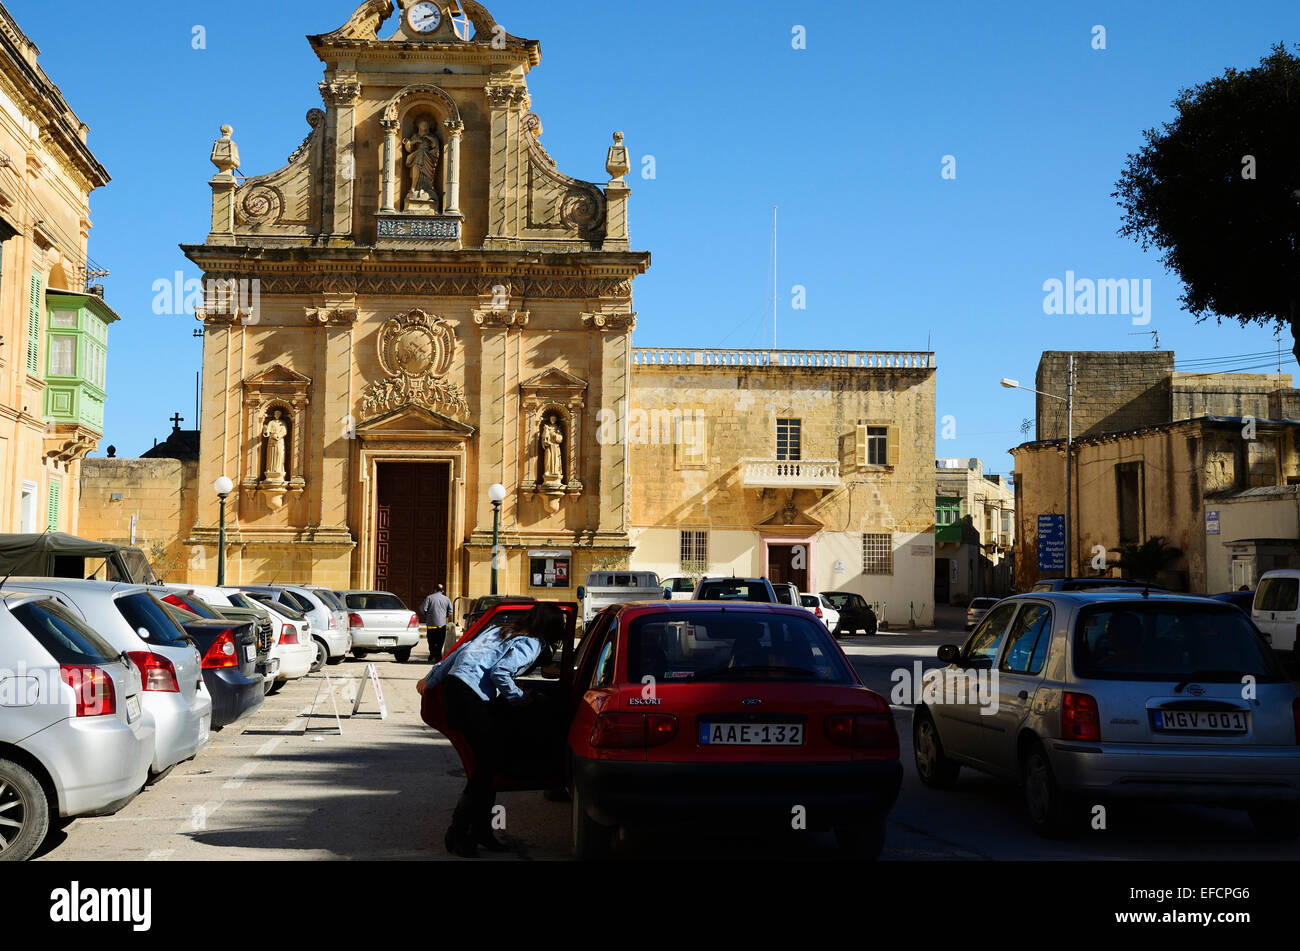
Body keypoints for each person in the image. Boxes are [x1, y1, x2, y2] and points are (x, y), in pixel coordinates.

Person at [416, 602, 564, 857]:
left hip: (454, 690)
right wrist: (520, 698)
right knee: (487, 767)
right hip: (472, 696)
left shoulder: (500, 629)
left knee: (487, 764)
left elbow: (460, 650)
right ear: (552, 629)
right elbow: (501, 672)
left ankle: (482, 832)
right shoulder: (533, 643)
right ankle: (458, 832)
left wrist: (432, 678)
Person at [419, 583, 454, 662]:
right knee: (440, 641)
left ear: (434, 590)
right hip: (442, 625)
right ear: (443, 591)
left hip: (431, 624)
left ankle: (432, 654)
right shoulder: (447, 599)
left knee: (431, 641)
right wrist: (444, 616)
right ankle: (438, 655)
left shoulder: (429, 598)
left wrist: (428, 616)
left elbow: (423, 609)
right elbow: (451, 611)